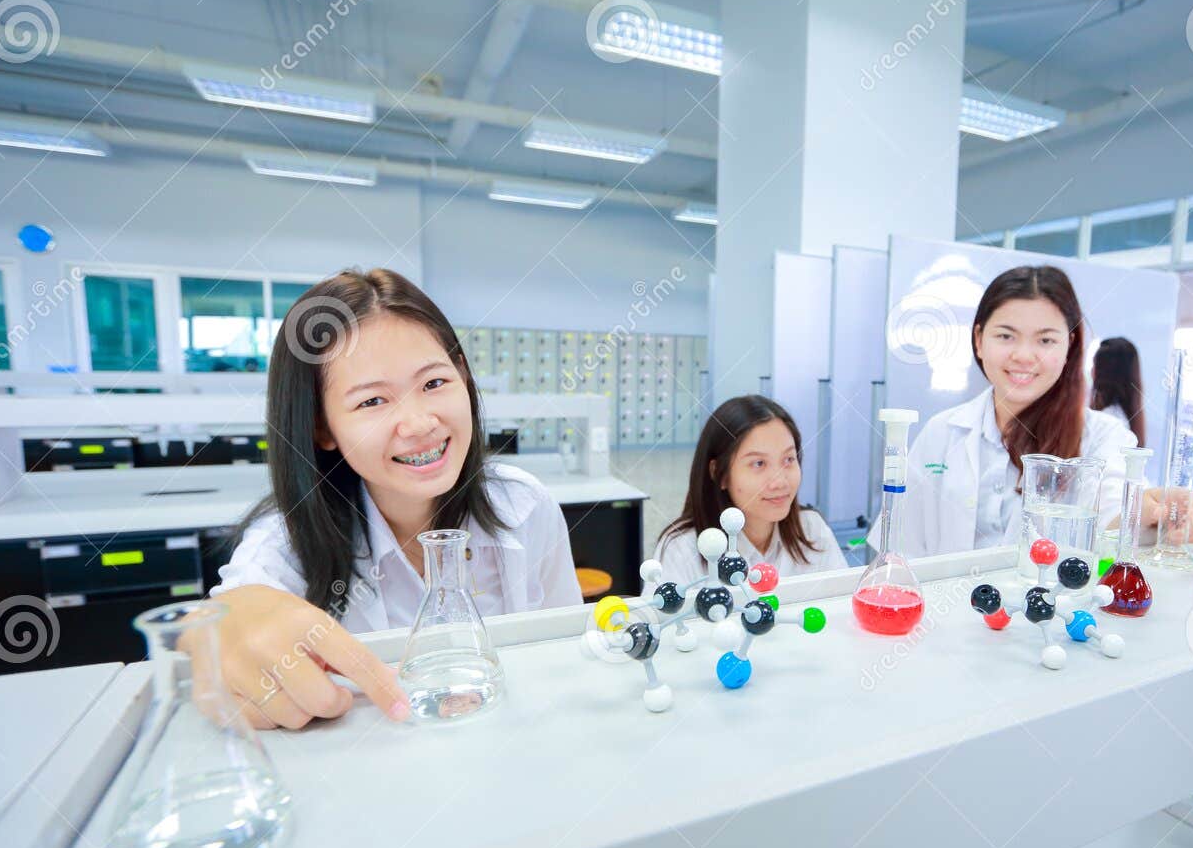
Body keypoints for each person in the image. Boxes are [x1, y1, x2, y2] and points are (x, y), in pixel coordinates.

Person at [210, 268, 580, 730]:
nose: (419, 423)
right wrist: (216, 631)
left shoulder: (525, 508)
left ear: (463, 378)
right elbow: (225, 628)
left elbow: (566, 649)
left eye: (433, 384)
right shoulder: (286, 547)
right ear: (321, 428)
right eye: (372, 402)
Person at [890, 265, 1157, 558]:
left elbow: (1115, 520)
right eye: (1006, 336)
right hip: (942, 603)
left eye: (1045, 340)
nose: (1023, 356)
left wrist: (1151, 513)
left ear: (1070, 346)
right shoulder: (941, 432)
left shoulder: (1106, 438)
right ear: (979, 340)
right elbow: (901, 544)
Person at [654, 395, 848, 584]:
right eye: (759, 463)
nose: (780, 482)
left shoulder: (813, 530)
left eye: (789, 459)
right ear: (719, 474)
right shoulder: (682, 548)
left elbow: (843, 606)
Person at [1090, 336, 1147, 446]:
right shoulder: (1124, 419)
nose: (1091, 370)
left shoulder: (1107, 422)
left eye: (1094, 364)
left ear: (1098, 372)